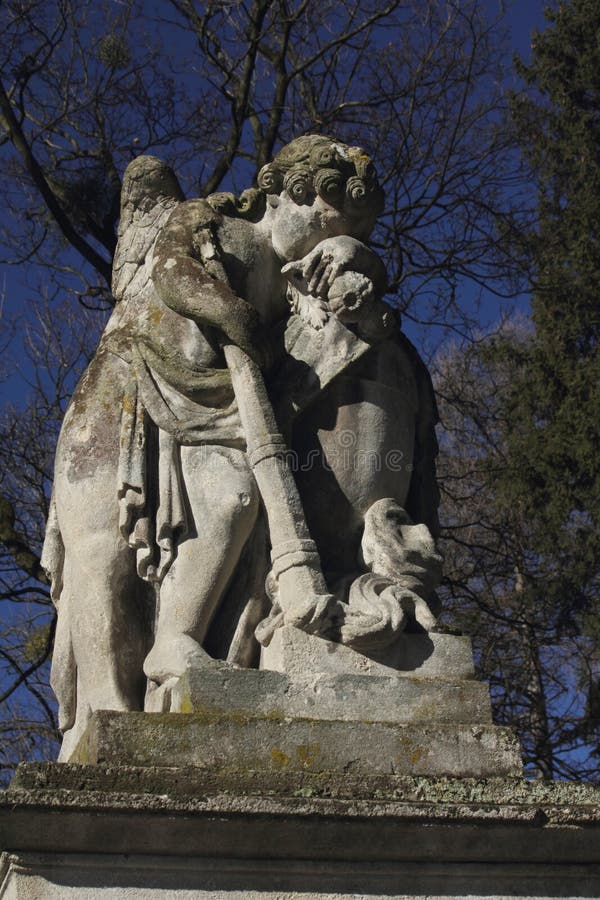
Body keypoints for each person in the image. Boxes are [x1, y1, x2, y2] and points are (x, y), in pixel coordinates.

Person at [44, 135, 431, 758]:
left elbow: (339, 323)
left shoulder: (295, 279)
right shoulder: (206, 222)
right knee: (108, 567)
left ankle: (177, 640)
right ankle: (107, 728)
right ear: (288, 194)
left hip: (222, 402)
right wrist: (230, 311)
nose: (321, 245)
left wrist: (356, 265)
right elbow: (172, 277)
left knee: (232, 499)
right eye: (326, 224)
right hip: (132, 388)